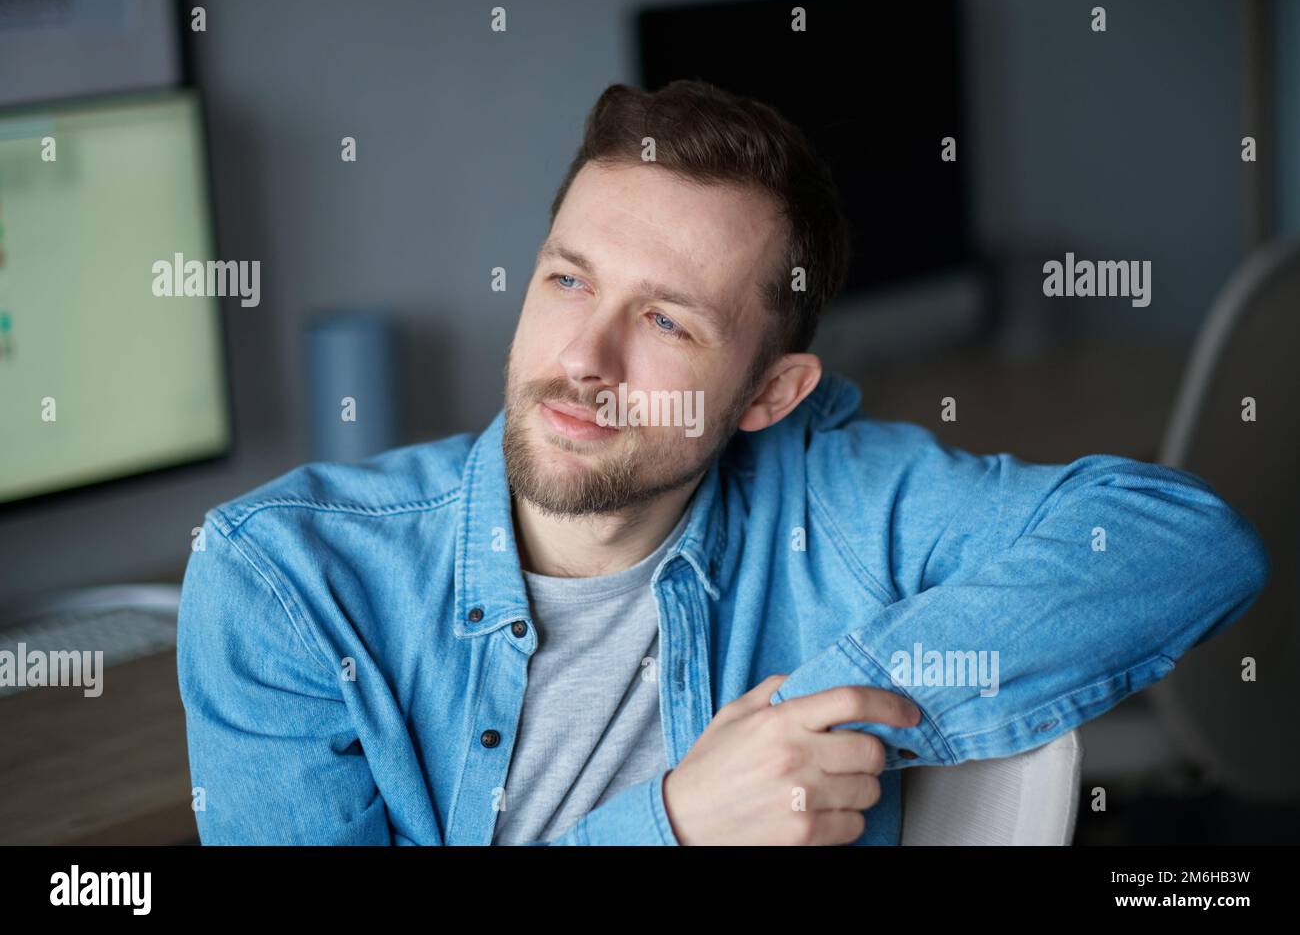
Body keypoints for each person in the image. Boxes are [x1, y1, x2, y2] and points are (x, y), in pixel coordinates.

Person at [177, 80, 1270, 845]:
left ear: (769, 393)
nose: (583, 359)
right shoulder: (288, 579)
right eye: (567, 281)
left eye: (665, 319)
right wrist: (683, 822)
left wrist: (821, 724)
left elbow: (1183, 540)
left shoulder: (837, 498)